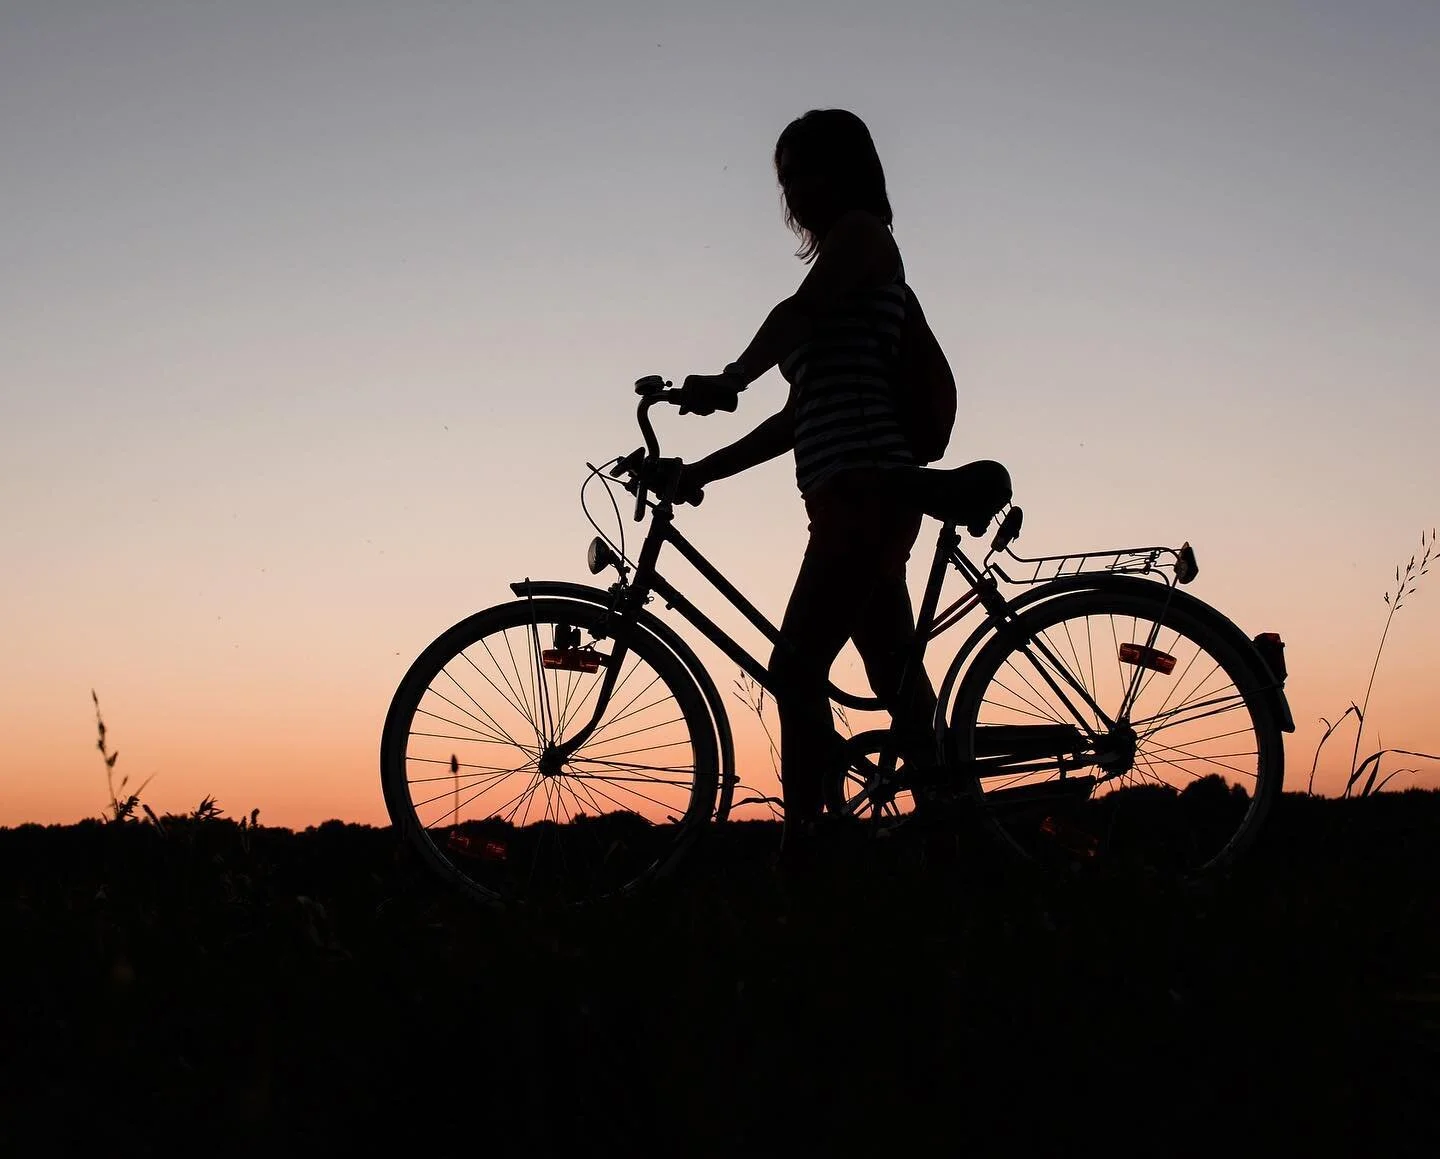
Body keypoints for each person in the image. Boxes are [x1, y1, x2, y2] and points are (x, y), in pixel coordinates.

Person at [676, 108, 944, 861]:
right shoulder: (843, 265)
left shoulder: (862, 239)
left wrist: (731, 377)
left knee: (795, 669)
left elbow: (796, 314)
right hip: (847, 497)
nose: (793, 189)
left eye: (805, 170)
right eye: (785, 176)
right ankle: (955, 829)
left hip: (866, 492)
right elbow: (793, 421)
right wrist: (700, 471)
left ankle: (812, 844)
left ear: (848, 170)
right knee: (895, 677)